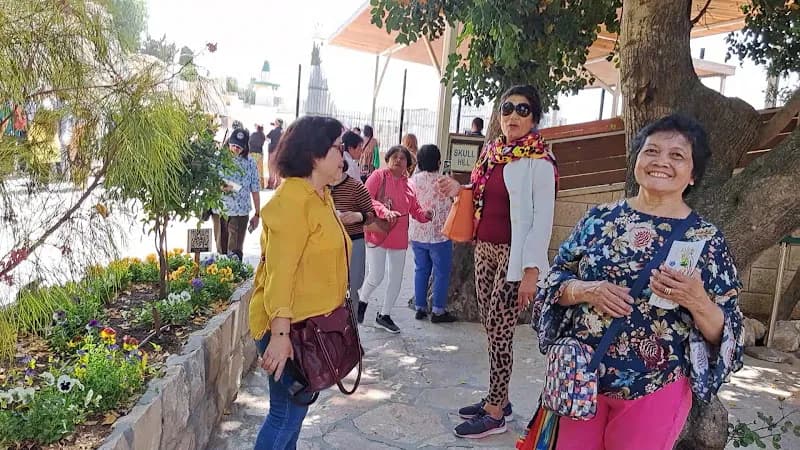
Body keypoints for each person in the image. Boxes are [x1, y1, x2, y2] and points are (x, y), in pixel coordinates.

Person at [534, 115, 745, 450]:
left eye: (677, 156)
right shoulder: (598, 220)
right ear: (637, 160)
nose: (661, 161)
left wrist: (697, 300)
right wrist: (586, 290)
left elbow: (728, 331)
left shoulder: (706, 239)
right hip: (581, 378)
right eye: (652, 151)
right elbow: (553, 281)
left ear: (693, 175)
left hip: (655, 387)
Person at [437, 85, 558, 439]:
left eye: (523, 110)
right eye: (507, 109)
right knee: (490, 327)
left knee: (501, 331)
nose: (513, 116)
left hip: (513, 256)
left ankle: (495, 413)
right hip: (484, 250)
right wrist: (457, 189)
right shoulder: (493, 154)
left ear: (534, 118)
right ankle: (498, 397)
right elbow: (481, 197)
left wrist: (531, 272)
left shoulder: (539, 162)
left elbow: (542, 220)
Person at [249, 115, 350, 449]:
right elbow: (281, 273)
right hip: (289, 329)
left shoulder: (320, 195)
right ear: (314, 155)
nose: (344, 156)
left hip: (311, 328)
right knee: (284, 415)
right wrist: (280, 336)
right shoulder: (291, 201)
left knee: (294, 413)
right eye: (337, 148)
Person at [358, 145, 432, 333]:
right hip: (378, 232)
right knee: (376, 275)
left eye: (402, 158)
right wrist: (384, 211)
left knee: (396, 279)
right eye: (394, 156)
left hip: (399, 238)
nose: (398, 160)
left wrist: (425, 216)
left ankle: (385, 315)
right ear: (388, 159)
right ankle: (361, 302)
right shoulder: (378, 176)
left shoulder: (410, 184)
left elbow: (414, 208)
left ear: (408, 163)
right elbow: (367, 199)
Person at [409, 144, 456, 323]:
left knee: (421, 269)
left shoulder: (413, 181)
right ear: (439, 161)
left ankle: (420, 307)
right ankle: (438, 310)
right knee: (441, 272)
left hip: (418, 233)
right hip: (439, 235)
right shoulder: (444, 181)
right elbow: (452, 204)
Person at [331, 159, 376, 314]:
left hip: (353, 240)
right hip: (328, 244)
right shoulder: (319, 188)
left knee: (352, 286)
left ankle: (352, 329)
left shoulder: (356, 187)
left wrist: (358, 216)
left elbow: (372, 214)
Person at [212, 128, 261, 261]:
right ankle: (222, 278)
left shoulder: (250, 163)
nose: (235, 149)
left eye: (239, 147)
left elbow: (255, 189)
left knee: (235, 253)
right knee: (221, 251)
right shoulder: (218, 158)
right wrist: (220, 186)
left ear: (245, 147)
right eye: (233, 145)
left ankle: (234, 276)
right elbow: (209, 181)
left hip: (240, 213)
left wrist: (257, 214)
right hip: (220, 211)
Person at [266, 118, 284, 189]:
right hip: (280, 151)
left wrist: (271, 142)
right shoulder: (283, 132)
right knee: (278, 168)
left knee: (271, 168)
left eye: (275, 122)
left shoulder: (273, 131)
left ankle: (271, 184)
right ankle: (278, 184)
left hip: (273, 151)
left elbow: (267, 138)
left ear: (277, 123)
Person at [249, 124, 267, 189]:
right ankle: (260, 186)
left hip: (252, 153)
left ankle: (252, 186)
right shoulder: (263, 135)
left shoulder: (253, 134)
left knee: (252, 169)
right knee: (260, 170)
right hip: (260, 153)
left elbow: (250, 142)